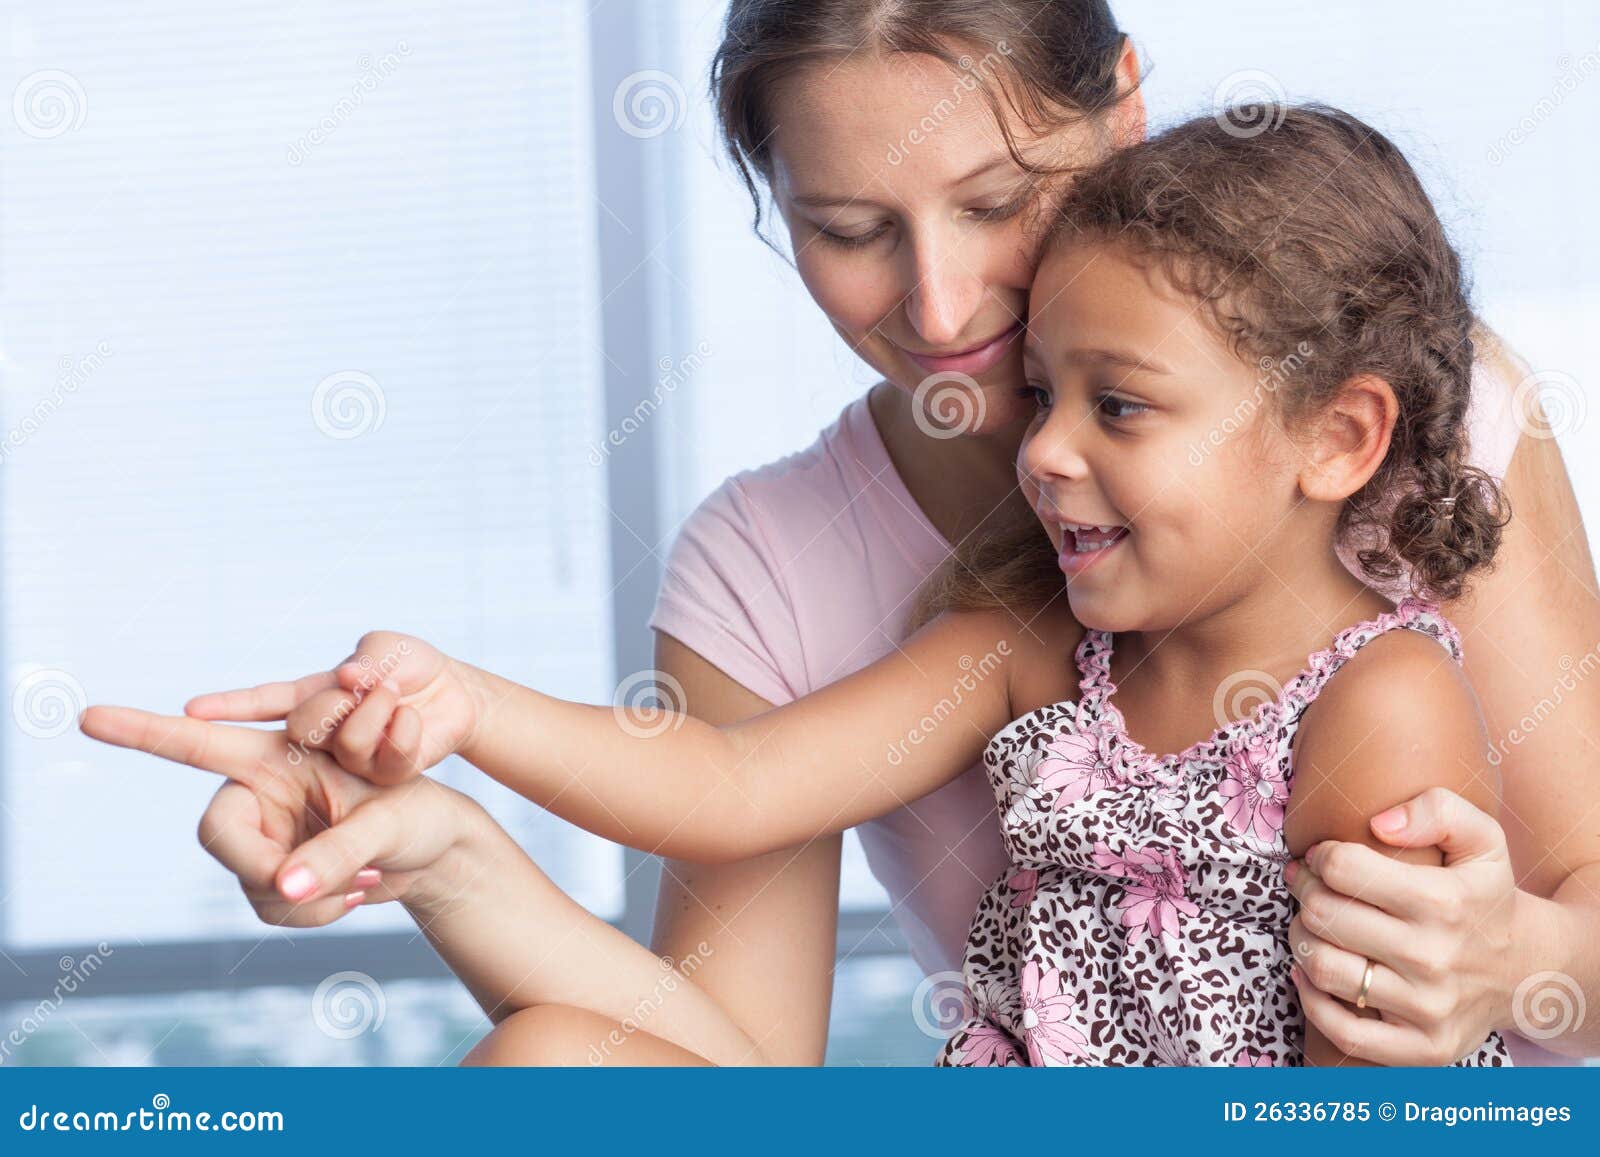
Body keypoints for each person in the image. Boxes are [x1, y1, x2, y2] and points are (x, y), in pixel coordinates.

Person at [89, 0, 1600, 1065]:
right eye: (850, 229)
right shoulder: (985, 621)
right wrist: (440, 815)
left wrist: (1522, 962)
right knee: (553, 1065)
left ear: (1125, 111)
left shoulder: (1402, 421)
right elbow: (731, 1034)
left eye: (1000, 198)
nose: (942, 312)